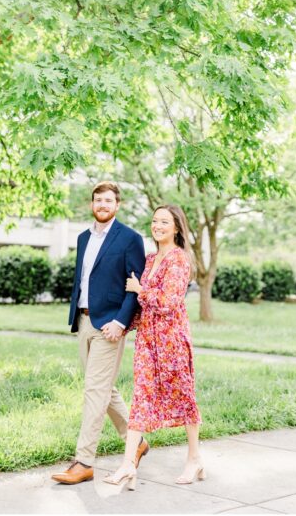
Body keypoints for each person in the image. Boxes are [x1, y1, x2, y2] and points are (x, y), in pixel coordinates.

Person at [52, 181, 149, 485]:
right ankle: (138, 441)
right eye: (98, 200)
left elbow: (134, 286)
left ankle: (84, 462)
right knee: (102, 388)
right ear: (92, 204)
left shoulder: (130, 239)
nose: (103, 205)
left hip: (110, 326)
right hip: (83, 321)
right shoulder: (83, 238)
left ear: (117, 205)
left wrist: (121, 322)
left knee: (94, 391)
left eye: (108, 200)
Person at [104, 204, 203, 490]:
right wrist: (122, 324)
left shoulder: (179, 259)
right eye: (154, 221)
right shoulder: (150, 259)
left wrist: (140, 290)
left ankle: (194, 458)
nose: (158, 225)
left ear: (176, 227)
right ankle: (127, 464)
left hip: (172, 340)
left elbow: (169, 302)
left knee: (184, 398)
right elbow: (144, 305)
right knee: (142, 397)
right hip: (147, 341)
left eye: (164, 221)